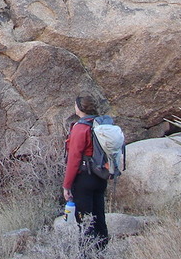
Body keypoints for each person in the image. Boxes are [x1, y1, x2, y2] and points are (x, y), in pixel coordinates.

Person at [63, 95, 109, 252]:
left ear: (80, 108)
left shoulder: (80, 128)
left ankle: (86, 253)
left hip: (84, 178)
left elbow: (74, 159)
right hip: (100, 177)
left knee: (85, 220)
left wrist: (67, 185)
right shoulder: (101, 124)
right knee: (99, 216)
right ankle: (102, 252)